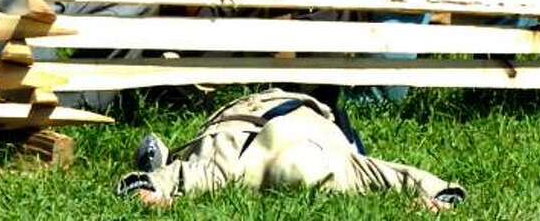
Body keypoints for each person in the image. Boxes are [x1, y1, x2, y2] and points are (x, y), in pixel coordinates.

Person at [117, 89, 463, 208]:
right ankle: (161, 156)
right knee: (187, 168)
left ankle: (160, 155)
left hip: (268, 115)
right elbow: (404, 177)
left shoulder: (228, 168)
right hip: (247, 118)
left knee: (185, 168)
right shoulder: (348, 169)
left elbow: (173, 178)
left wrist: (148, 187)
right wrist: (440, 197)